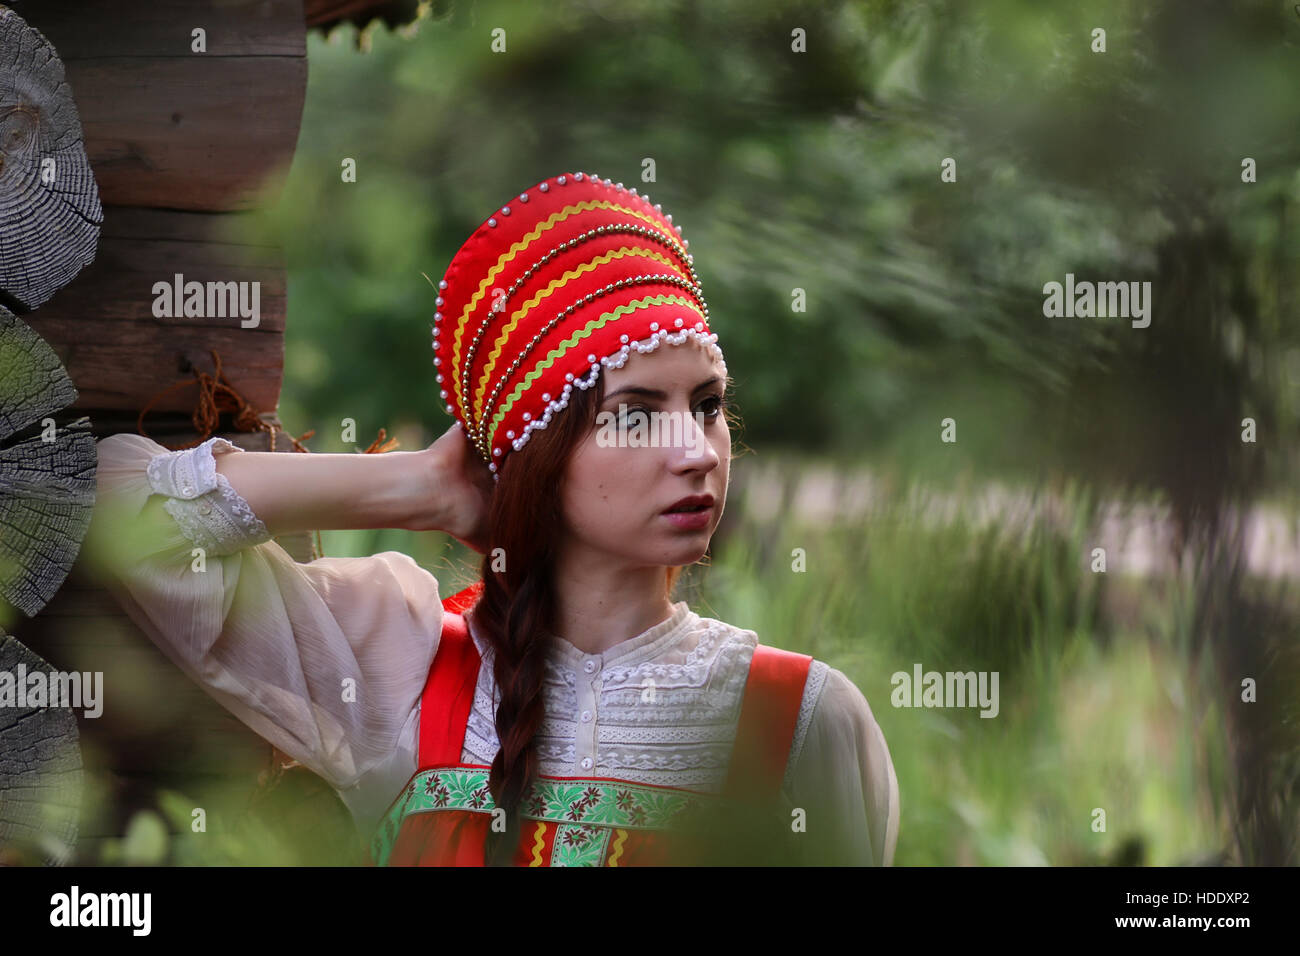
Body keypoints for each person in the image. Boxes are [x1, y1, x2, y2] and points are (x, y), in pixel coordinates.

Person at [88, 170, 899, 866]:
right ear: (538, 451)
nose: (697, 451)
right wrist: (421, 488)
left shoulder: (802, 718)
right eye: (637, 414)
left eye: (709, 404)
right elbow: (110, 509)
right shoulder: (402, 661)